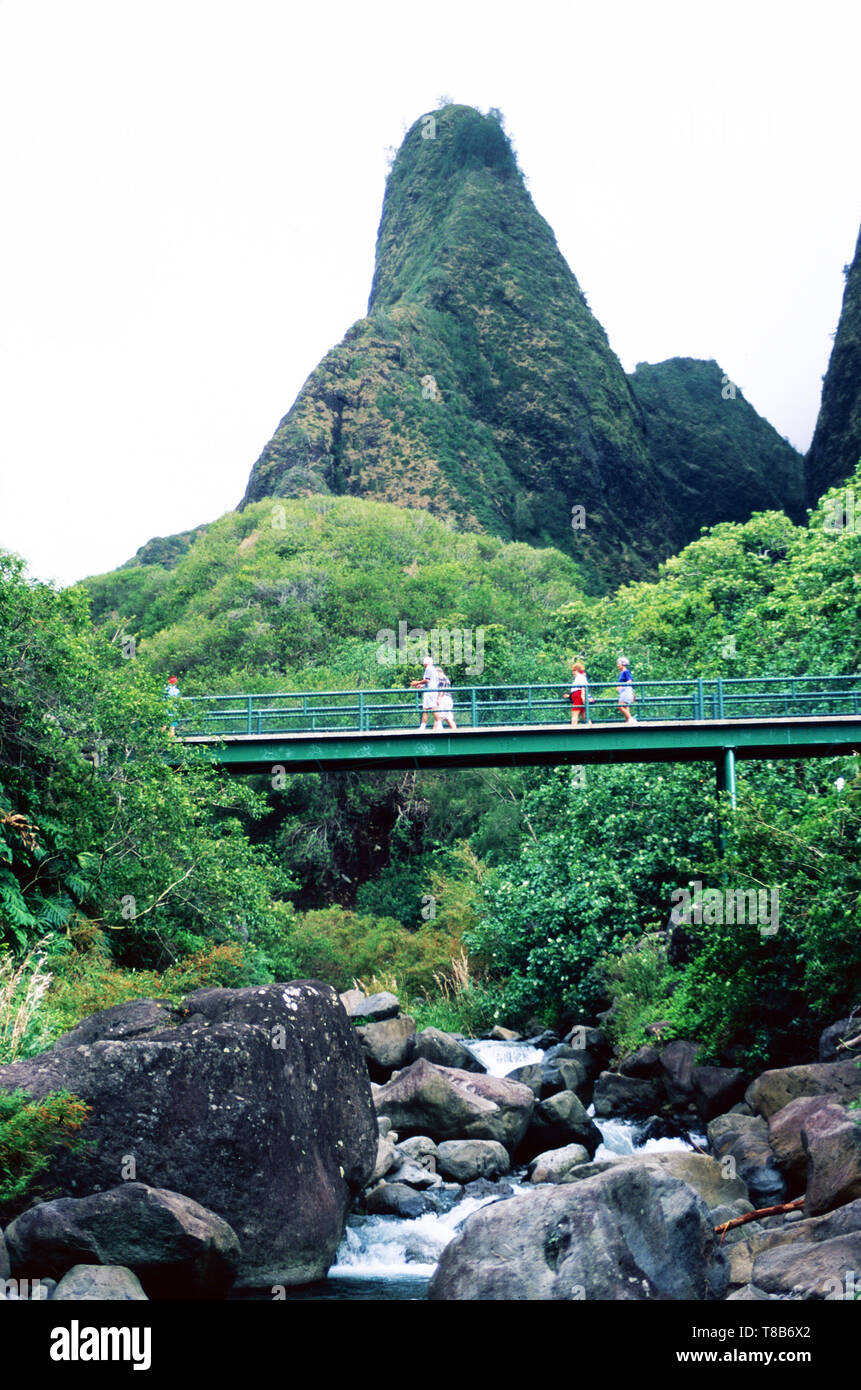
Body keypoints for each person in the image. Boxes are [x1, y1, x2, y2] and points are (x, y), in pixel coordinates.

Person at [410, 655, 442, 732]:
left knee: (433, 708)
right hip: (431, 690)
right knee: (425, 709)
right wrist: (421, 685)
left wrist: (417, 682)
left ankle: (440, 725)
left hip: (430, 692)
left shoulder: (428, 668)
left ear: (426, 663)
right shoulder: (434, 669)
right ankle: (423, 726)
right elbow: (430, 681)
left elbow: (427, 680)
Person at [568, 659, 593, 727]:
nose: (573, 672)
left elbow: (583, 686)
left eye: (574, 670)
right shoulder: (578, 677)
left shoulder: (581, 677)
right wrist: (569, 696)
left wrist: (583, 696)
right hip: (577, 696)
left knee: (575, 713)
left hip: (578, 696)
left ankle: (573, 728)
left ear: (577, 670)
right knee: (584, 714)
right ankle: (591, 728)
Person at [616, 656, 637, 724]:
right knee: (626, 706)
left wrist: (622, 686)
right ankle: (627, 721)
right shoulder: (622, 673)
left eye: (619, 663)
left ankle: (631, 719)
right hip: (623, 691)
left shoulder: (626, 672)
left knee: (620, 705)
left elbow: (629, 680)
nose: (617, 665)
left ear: (623, 664)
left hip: (626, 690)